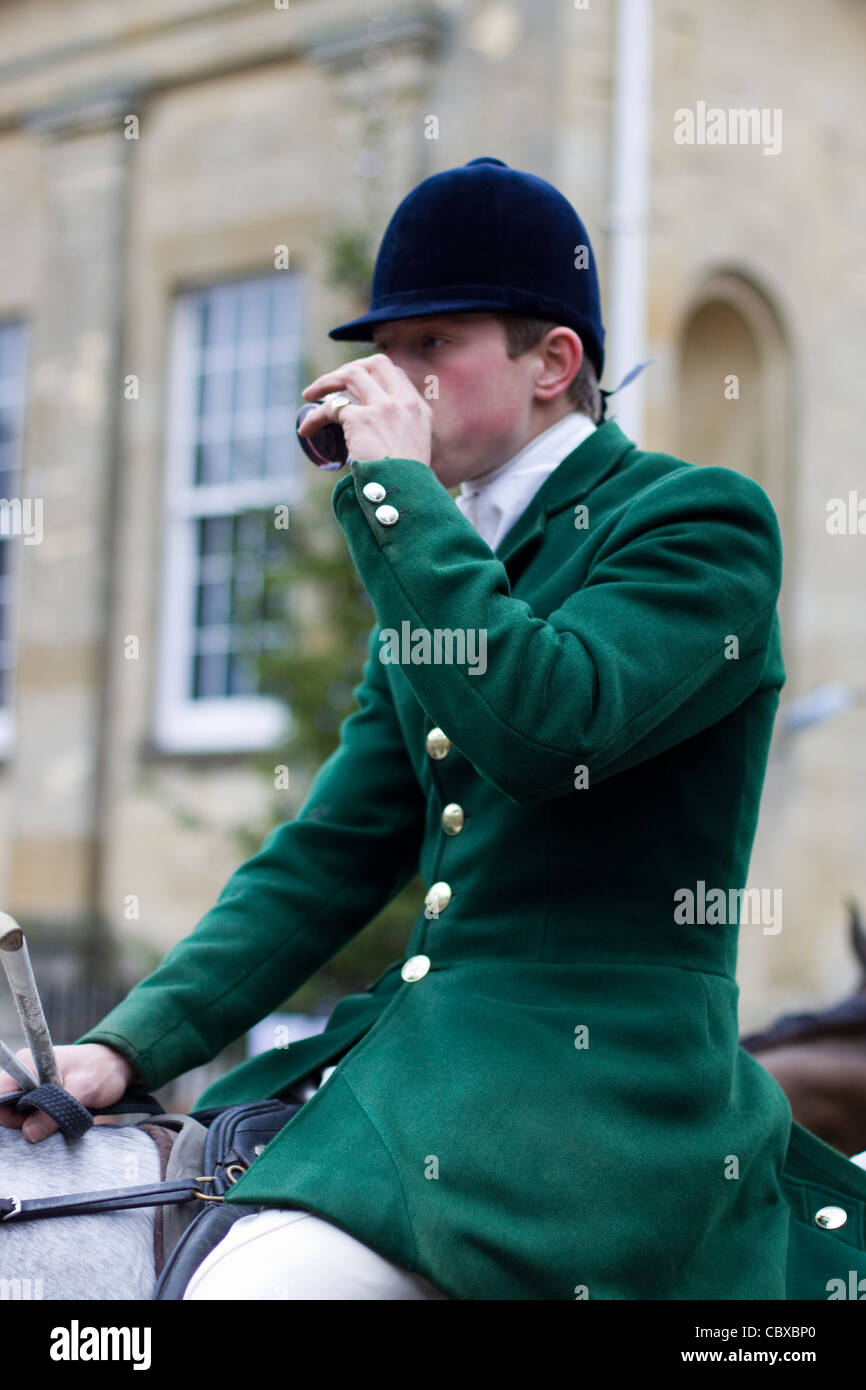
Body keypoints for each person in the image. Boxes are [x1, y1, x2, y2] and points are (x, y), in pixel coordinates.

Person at [4, 157, 866, 1300]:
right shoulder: (446, 561)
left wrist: (396, 494)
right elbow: (328, 852)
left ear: (551, 362)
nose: (388, 379)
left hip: (597, 1094)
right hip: (413, 1058)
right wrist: (126, 1042)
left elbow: (546, 727)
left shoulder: (692, 520)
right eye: (385, 347)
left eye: (432, 346)